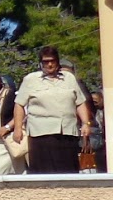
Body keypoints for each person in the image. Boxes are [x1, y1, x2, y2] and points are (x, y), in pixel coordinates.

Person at [14, 46, 90, 174]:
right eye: (45, 61)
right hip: (41, 134)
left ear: (58, 61)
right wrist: (17, 128)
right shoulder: (30, 80)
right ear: (40, 63)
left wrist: (86, 123)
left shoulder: (69, 78)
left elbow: (80, 102)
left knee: (68, 171)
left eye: (52, 61)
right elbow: (19, 105)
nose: (49, 64)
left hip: (67, 133)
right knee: (44, 173)